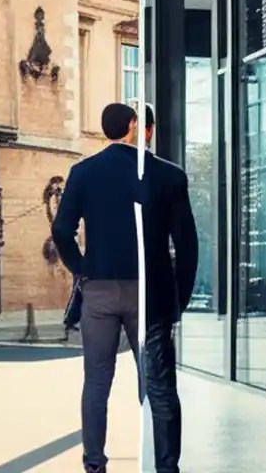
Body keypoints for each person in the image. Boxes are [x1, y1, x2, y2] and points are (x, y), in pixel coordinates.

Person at [51, 103, 144, 473]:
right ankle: (154, 455)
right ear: (133, 126)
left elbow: (61, 231)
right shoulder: (149, 171)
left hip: (99, 290)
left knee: (96, 383)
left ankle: (94, 465)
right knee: (151, 377)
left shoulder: (83, 172)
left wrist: (81, 267)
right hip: (142, 289)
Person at [136, 104, 198, 473]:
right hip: (156, 298)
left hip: (108, 294)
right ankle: (166, 468)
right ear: (150, 131)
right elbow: (187, 245)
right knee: (160, 389)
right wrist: (180, 299)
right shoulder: (170, 177)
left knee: (101, 383)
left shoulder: (93, 172)